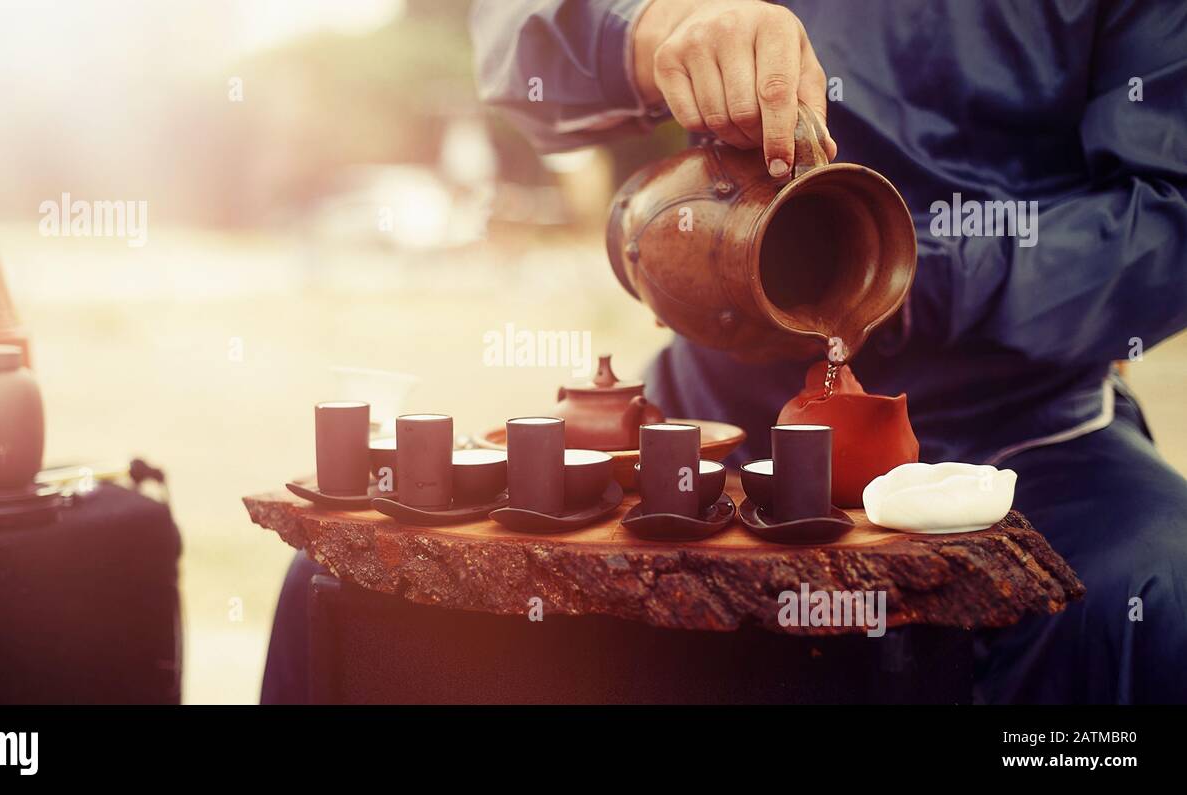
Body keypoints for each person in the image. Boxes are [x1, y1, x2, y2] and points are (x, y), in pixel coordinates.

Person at [262, 0, 1187, 704]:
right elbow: (514, 36)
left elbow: (1169, 215)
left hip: (1031, 439)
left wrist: (907, 272)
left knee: (1152, 604)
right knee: (349, 585)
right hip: (709, 436)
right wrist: (657, 24)